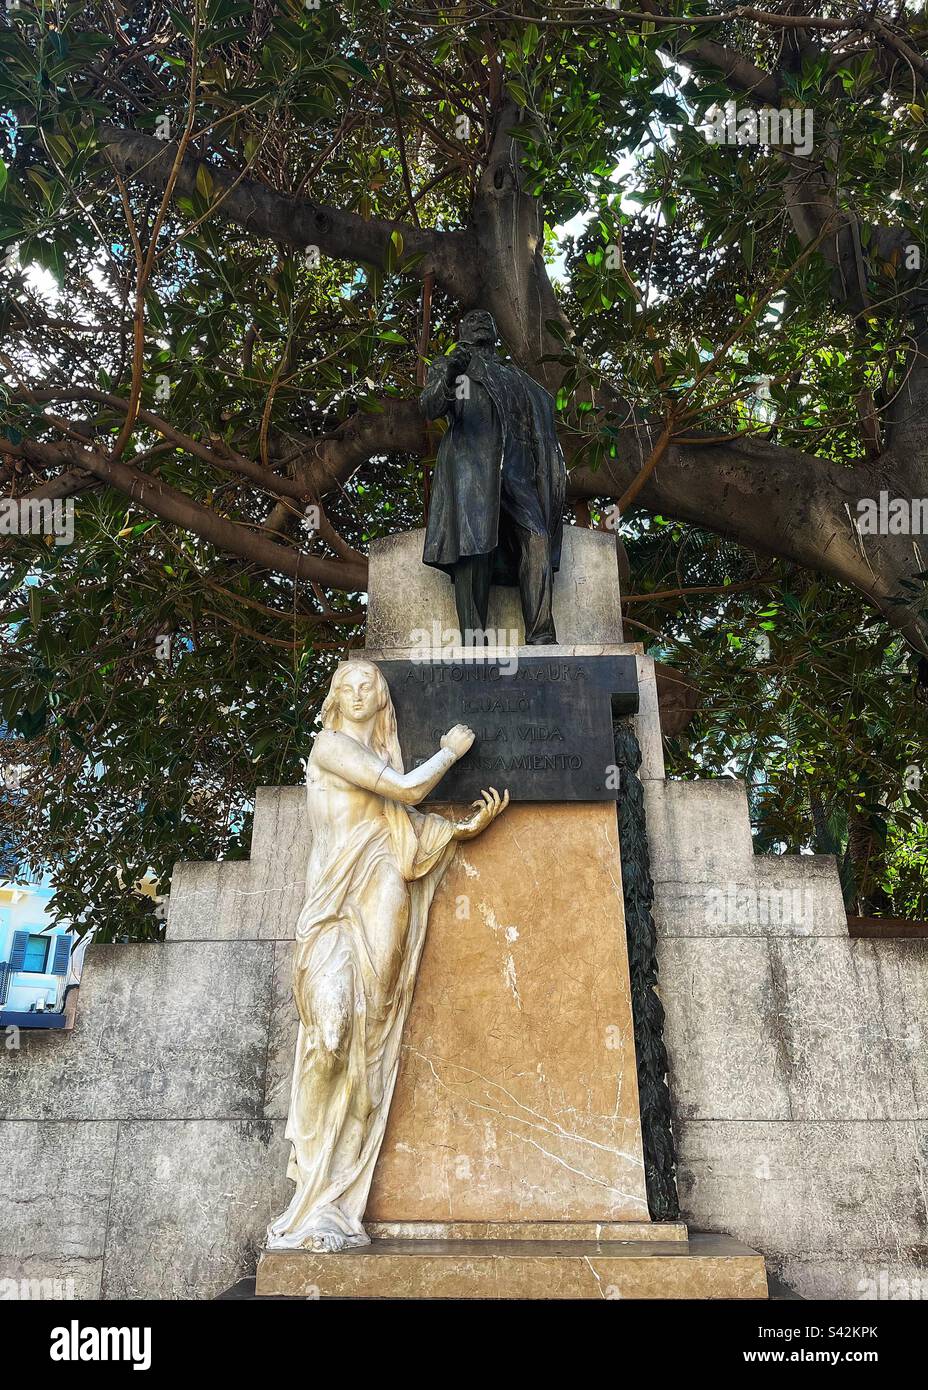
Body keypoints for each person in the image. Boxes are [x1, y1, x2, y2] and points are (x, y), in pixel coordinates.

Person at [266, 659, 508, 1252]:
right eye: (344, 684)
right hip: (331, 909)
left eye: (367, 685)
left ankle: (338, 1205)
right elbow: (404, 789)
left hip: (383, 890)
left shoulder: (376, 758)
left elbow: (398, 819)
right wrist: (451, 751)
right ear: (333, 697)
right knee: (330, 1034)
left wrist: (456, 831)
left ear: (382, 699)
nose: (355, 692)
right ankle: (310, 1190)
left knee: (370, 1039)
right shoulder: (330, 746)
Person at [420, 309, 567, 645]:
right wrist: (449, 370)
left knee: (538, 538)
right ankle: (473, 642)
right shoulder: (455, 369)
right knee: (474, 551)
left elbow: (538, 427)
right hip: (473, 470)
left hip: (519, 474)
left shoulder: (516, 377)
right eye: (473, 320)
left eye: (488, 319)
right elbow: (429, 408)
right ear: (462, 331)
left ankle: (542, 636)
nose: (482, 322)